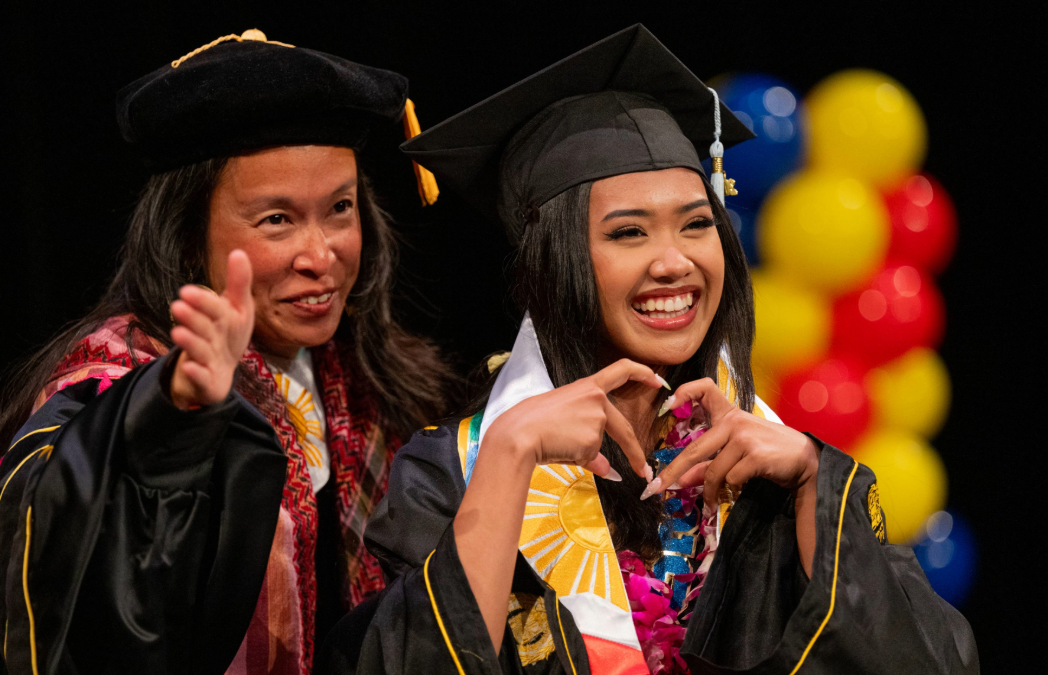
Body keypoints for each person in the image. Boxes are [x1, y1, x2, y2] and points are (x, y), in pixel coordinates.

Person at [334, 25, 979, 675]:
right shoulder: (453, 470)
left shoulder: (771, 466)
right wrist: (508, 458)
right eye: (629, 232)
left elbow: (939, 660)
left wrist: (815, 484)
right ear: (554, 264)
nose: (675, 262)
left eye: (697, 224)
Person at [0, 30, 453, 675]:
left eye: (340, 208)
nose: (320, 256)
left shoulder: (373, 377)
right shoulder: (118, 376)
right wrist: (169, 420)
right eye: (276, 219)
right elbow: (63, 588)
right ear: (189, 231)